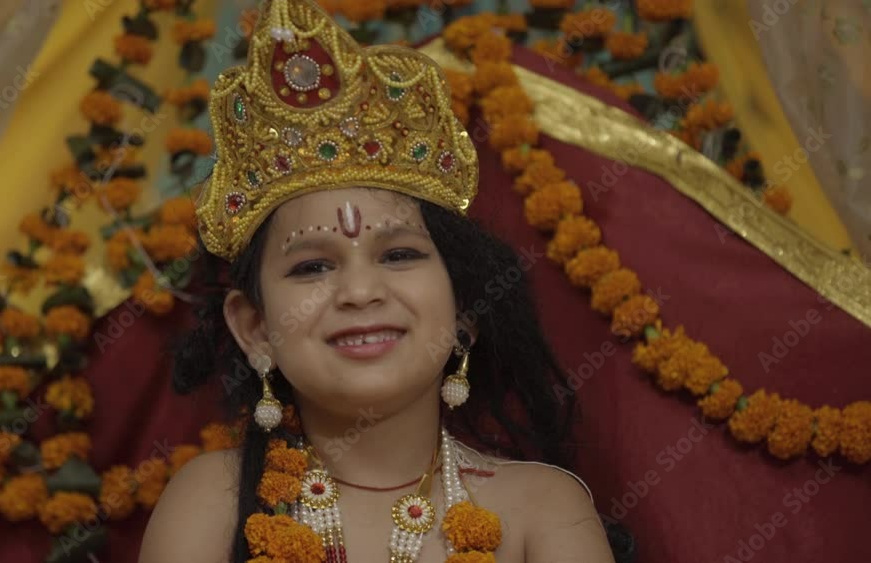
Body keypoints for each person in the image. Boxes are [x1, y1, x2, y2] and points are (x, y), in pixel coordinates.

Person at [139, 0, 619, 561]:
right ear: (255, 327)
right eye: (312, 267)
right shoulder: (212, 505)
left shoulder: (542, 510)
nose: (361, 292)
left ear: (464, 305)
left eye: (398, 255)